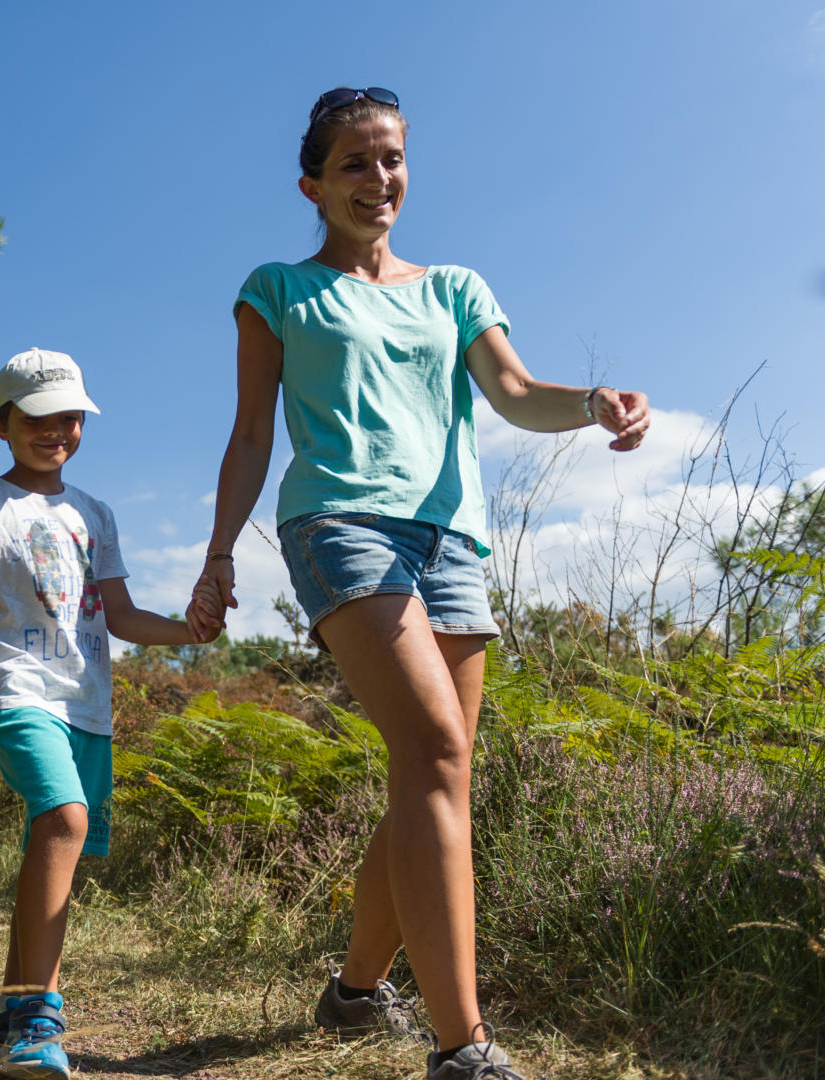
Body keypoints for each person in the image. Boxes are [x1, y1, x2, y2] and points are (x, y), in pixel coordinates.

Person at [188, 87, 651, 1080]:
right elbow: (253, 433)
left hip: (452, 547)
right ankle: (463, 1050)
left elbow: (518, 396)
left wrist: (595, 402)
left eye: (391, 158)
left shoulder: (456, 289)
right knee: (437, 748)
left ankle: (355, 994)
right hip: (339, 527)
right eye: (354, 163)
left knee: (431, 779)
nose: (379, 178)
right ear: (312, 184)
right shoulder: (278, 288)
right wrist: (222, 550)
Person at [0, 348, 219, 1080]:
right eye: (36, 417)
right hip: (13, 689)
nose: (55, 429)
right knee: (65, 819)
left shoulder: (95, 512)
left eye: (69, 416)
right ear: (1, 424)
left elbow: (119, 615)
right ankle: (38, 1019)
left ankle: (8, 1001)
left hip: (85, 702)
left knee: (52, 841)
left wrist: (186, 630)